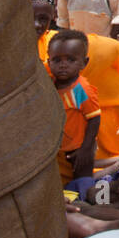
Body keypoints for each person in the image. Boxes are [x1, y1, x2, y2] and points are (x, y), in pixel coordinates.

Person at [47, 30, 101, 184]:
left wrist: (86, 149)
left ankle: (101, 189)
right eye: (57, 60)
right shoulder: (50, 84)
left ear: (84, 62)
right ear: (49, 61)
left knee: (83, 181)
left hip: (79, 147)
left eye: (70, 60)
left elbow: (94, 119)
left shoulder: (81, 90)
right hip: (60, 149)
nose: (63, 65)